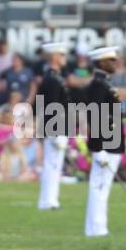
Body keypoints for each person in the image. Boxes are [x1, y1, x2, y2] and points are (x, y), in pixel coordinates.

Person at [84, 47, 124, 237]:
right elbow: (95, 115)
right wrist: (98, 148)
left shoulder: (105, 83)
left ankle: (98, 226)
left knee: (103, 186)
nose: (115, 63)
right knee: (99, 185)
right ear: (101, 63)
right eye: (111, 60)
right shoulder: (99, 84)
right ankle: (96, 227)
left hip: (111, 140)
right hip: (105, 142)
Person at [36, 41, 70, 210]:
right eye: (62, 55)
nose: (65, 58)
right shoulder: (53, 79)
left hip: (56, 126)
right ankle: (49, 200)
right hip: (56, 127)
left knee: (54, 165)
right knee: (52, 164)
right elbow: (51, 106)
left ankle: (49, 199)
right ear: (55, 57)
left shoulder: (52, 78)